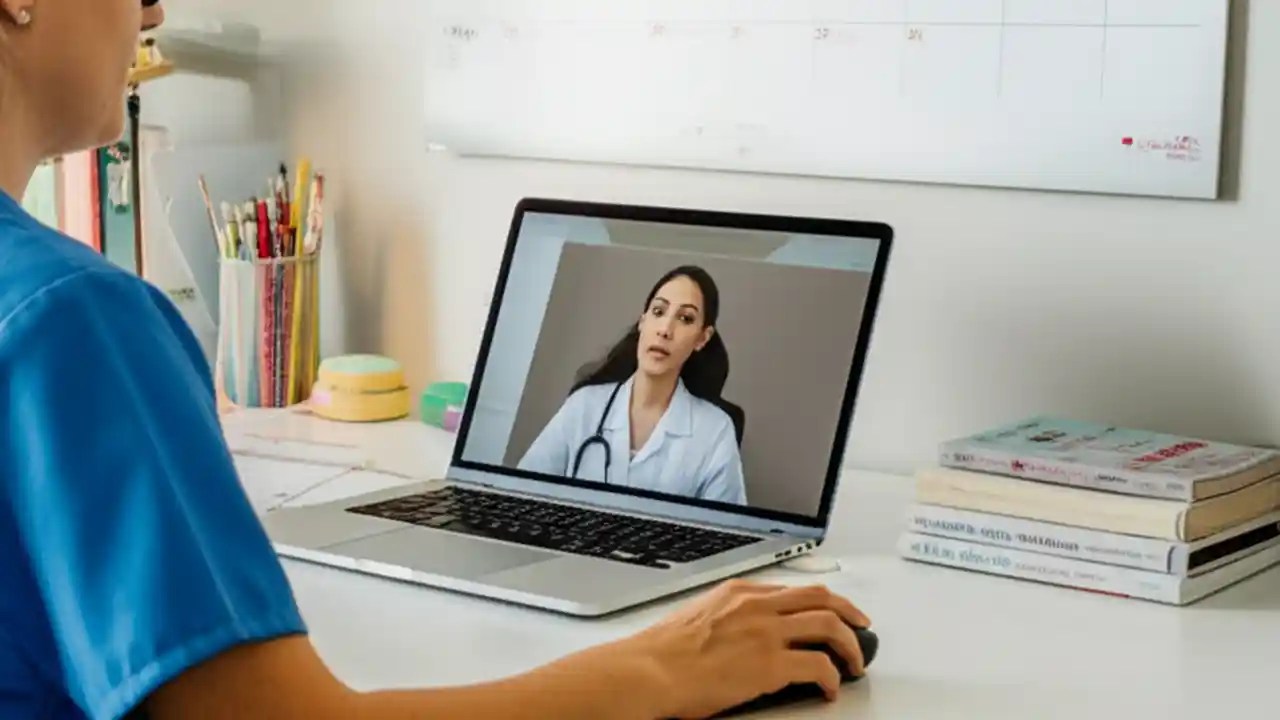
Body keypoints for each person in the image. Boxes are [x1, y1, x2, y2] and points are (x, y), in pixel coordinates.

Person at [0, 2, 871, 719]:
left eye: (686, 318)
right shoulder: (73, 319)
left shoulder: (44, 303)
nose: (152, 11)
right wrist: (666, 667)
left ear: (703, 337)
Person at [519, 266, 748, 504]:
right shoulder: (584, 405)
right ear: (643, 321)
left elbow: (724, 524)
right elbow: (523, 494)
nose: (665, 330)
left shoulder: (715, 431)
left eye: (685, 318)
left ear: (702, 338)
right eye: (658, 311)